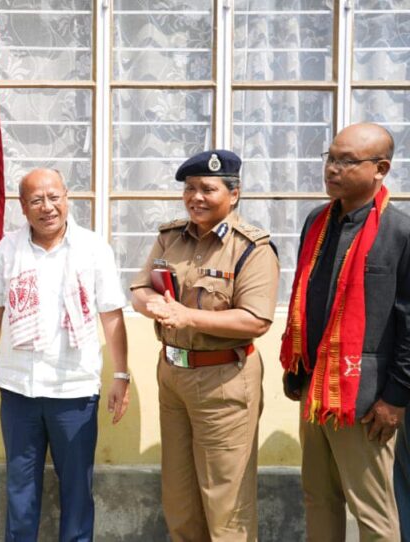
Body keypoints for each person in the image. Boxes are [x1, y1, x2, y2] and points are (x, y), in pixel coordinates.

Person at [0, 168, 130, 541]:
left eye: (54, 197)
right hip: (19, 389)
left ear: (66, 198)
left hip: (75, 392)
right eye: (37, 200)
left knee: (77, 491)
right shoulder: (7, 249)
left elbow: (111, 314)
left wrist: (121, 376)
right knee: (20, 491)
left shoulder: (93, 248)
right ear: (23, 208)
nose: (48, 207)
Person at [131, 150, 279, 541]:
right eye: (190, 188)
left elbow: (256, 319)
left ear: (234, 194)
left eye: (207, 189)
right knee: (179, 500)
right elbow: (140, 290)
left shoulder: (252, 248)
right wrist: (153, 305)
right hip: (174, 376)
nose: (195, 196)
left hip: (223, 381)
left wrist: (187, 316)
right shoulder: (170, 238)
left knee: (226, 505)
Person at [281, 123, 408, 541]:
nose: (332, 169)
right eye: (330, 158)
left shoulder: (400, 232)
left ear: (380, 168)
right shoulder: (317, 222)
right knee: (318, 497)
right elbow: (305, 297)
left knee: (371, 510)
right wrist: (295, 368)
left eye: (346, 161)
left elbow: (408, 323)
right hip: (315, 390)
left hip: (365, 397)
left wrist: (395, 398)